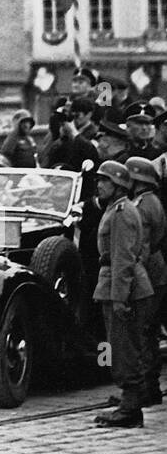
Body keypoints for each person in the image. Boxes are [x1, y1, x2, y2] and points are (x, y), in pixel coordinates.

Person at [92, 160, 153, 430]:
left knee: (124, 348)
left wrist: (119, 297)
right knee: (119, 346)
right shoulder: (116, 209)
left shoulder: (121, 212)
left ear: (118, 185)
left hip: (126, 288)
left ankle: (130, 408)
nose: (99, 185)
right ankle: (129, 401)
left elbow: (123, 259)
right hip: (120, 285)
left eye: (104, 181)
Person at [126, 156, 166, 407]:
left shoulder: (141, 206)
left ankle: (143, 388)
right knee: (148, 331)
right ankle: (150, 387)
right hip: (157, 270)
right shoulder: (153, 201)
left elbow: (140, 242)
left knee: (140, 332)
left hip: (148, 272)